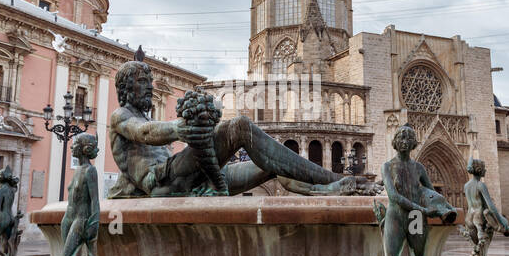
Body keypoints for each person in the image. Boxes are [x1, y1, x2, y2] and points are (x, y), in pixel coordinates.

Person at [107, 50, 370, 198]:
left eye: (149, 82)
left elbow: (152, 129)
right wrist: (180, 128)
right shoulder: (121, 116)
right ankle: (337, 177)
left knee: (268, 164)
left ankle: (325, 189)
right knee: (240, 126)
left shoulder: (145, 115)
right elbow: (145, 133)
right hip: (164, 183)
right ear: (126, 87)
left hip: (195, 180)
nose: (149, 88)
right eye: (143, 82)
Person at [373, 125, 457, 256]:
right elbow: (393, 196)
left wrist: (442, 206)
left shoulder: (419, 168)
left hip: (416, 218)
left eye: (408, 137)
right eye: (401, 136)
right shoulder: (387, 166)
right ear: (395, 141)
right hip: (397, 216)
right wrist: (422, 209)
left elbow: (430, 191)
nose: (404, 140)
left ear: (412, 144)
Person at [57, 132, 105, 256]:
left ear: (84, 148)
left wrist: (94, 221)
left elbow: (95, 200)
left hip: (81, 219)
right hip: (68, 219)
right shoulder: (77, 170)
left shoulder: (90, 171)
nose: (72, 145)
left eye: (75, 142)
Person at [461, 157, 509, 256]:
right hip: (480, 219)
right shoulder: (480, 185)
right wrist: (501, 221)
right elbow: (491, 206)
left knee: (476, 247)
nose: (486, 170)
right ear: (479, 170)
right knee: (483, 249)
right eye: (484, 168)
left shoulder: (466, 186)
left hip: (469, 218)